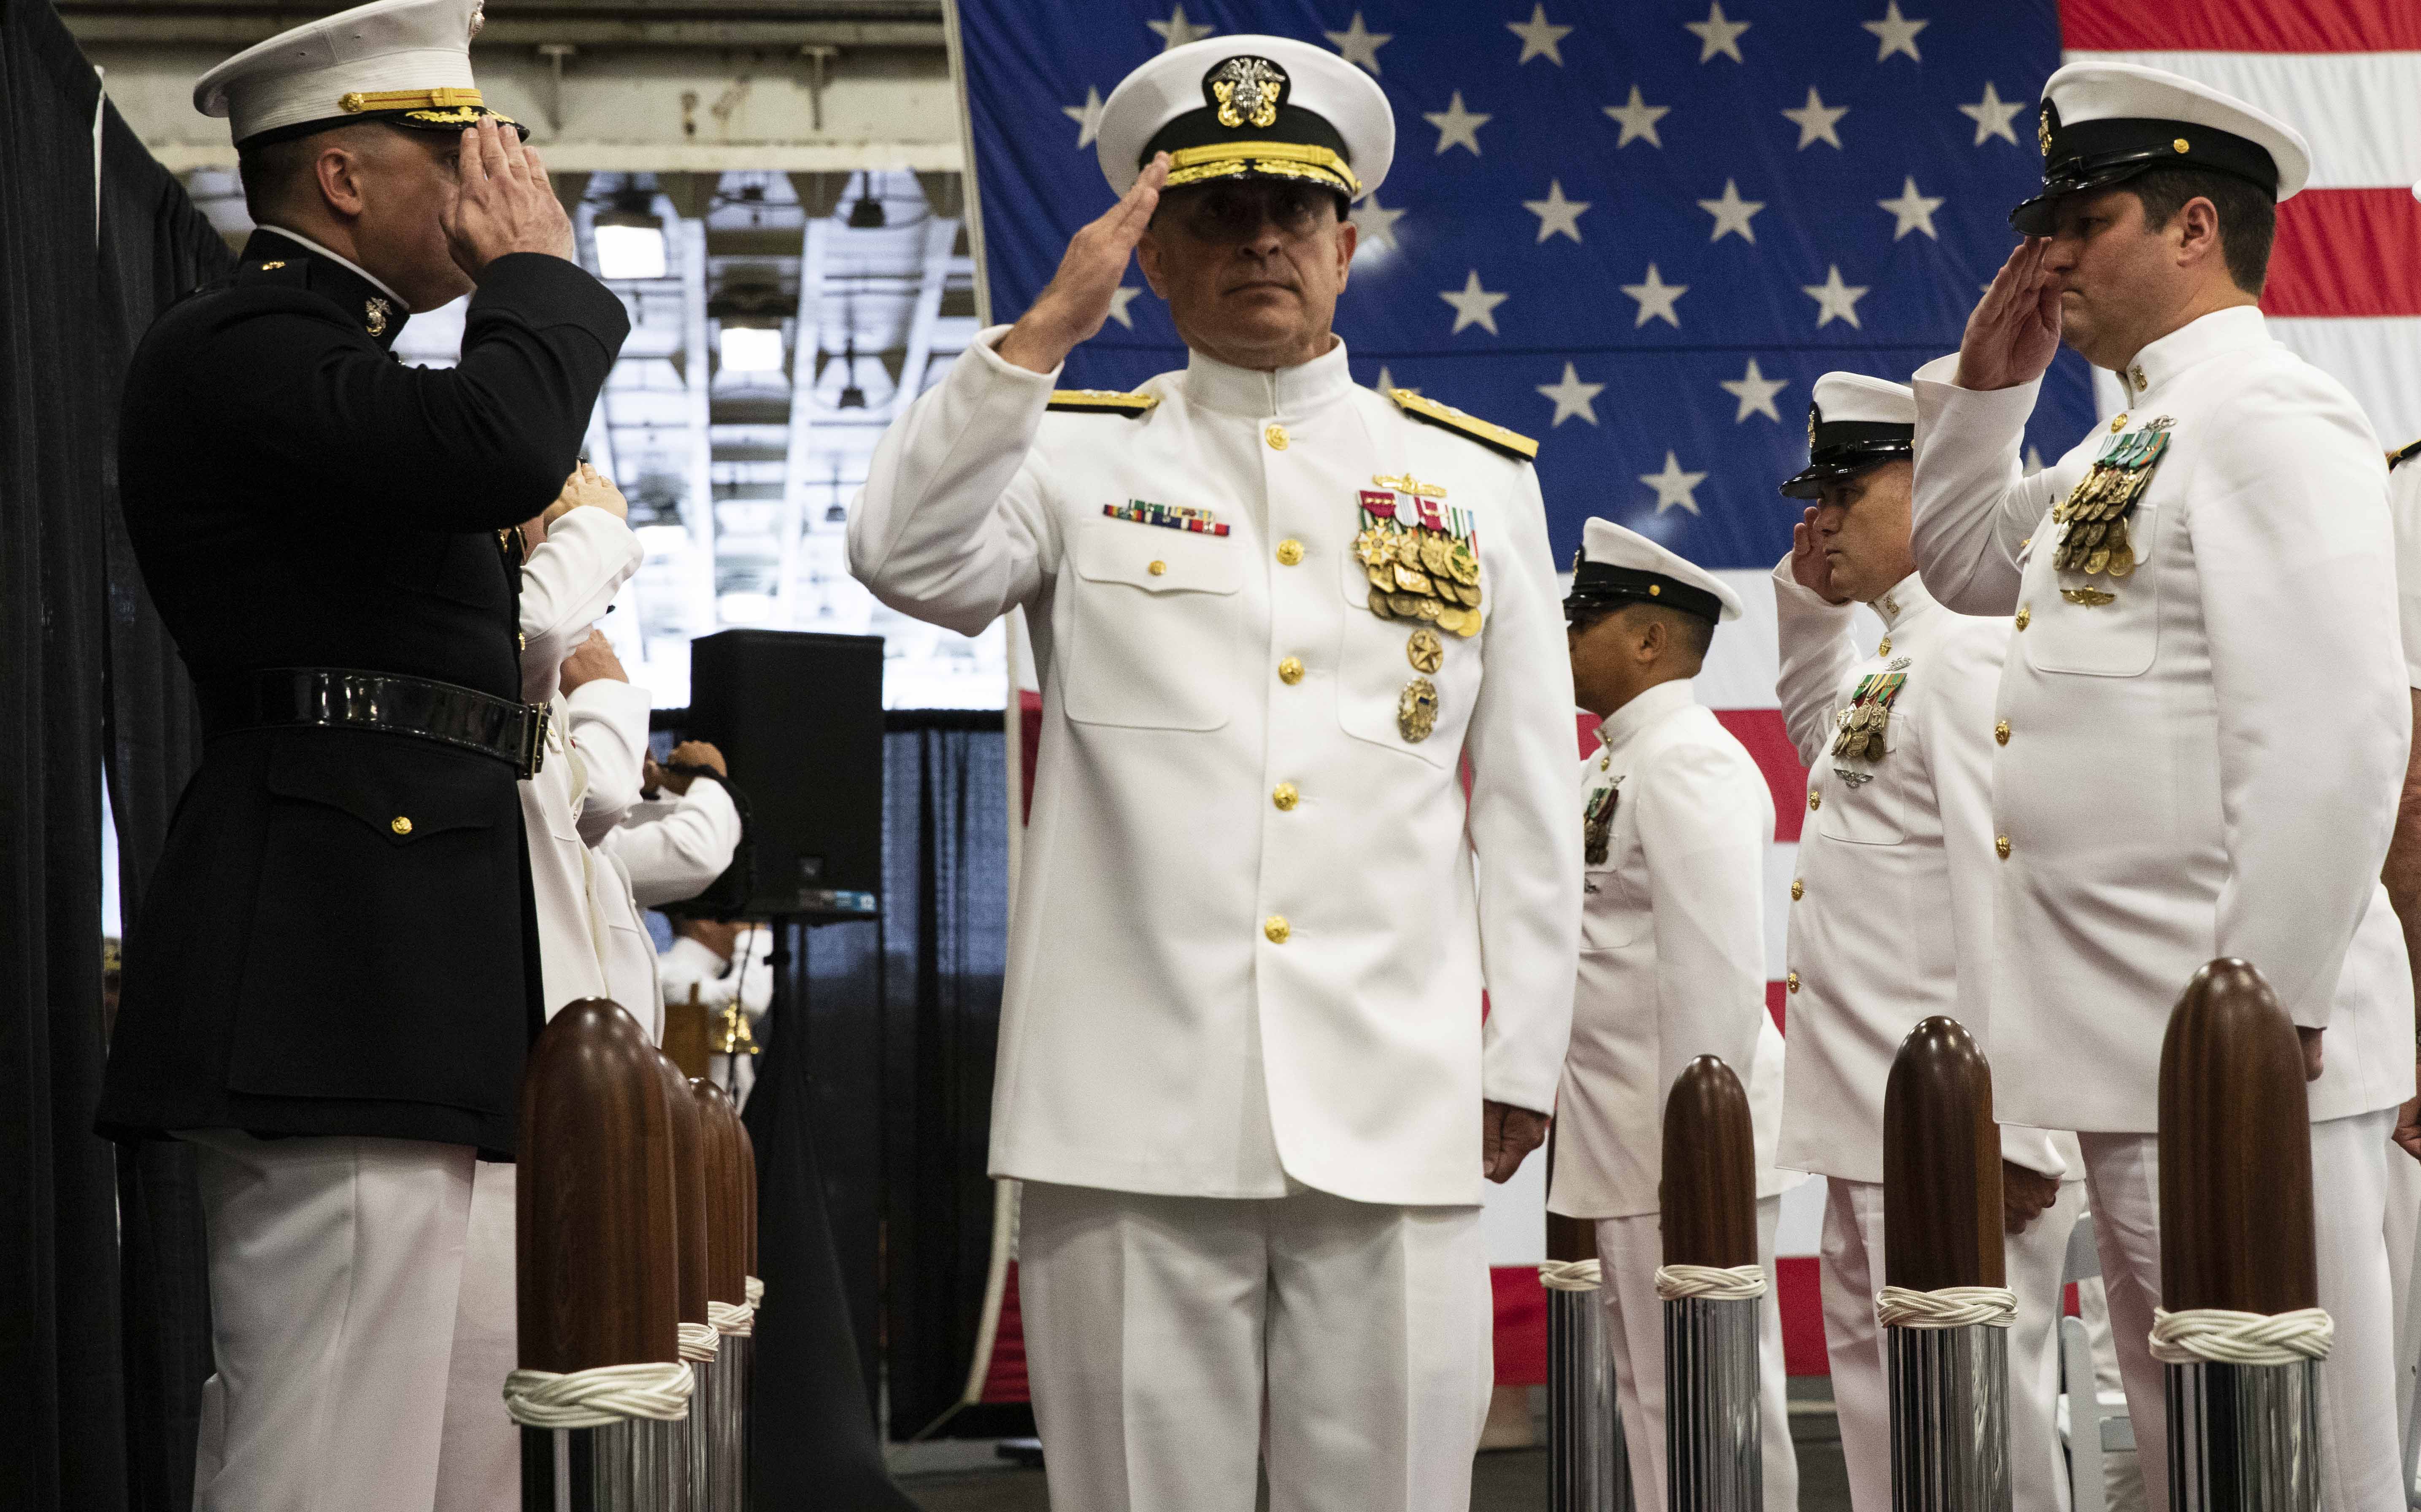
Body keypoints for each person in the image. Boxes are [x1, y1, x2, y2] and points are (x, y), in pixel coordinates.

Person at [848, 33, 1578, 1509]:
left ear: (1346, 242)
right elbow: (903, 557)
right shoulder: (1066, 456)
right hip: (1124, 1113)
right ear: (1152, 259)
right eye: (1213, 216)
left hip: (1392, 1098)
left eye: (1290, 214)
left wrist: (1518, 1056)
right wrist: (1035, 338)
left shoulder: (1472, 483)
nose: (1258, 241)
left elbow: (1527, 800)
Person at [92, 0, 630, 1503]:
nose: (490, 182)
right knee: (326, 1430)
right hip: (326, 951)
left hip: (406, 941)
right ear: (340, 176)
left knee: (450, 1424)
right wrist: (539, 276)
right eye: (453, 151)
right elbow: (500, 449)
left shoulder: (347, 358)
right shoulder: (244, 338)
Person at [1910, 60, 2412, 1510]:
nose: (2048, 252)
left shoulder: (2266, 418)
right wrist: (1985, 396)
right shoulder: (2126, 438)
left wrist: (2259, 1021)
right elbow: (1955, 566)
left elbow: (2328, 733)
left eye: (2084, 215)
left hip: (2237, 1060)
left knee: (2302, 1463)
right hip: (2139, 1056)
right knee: (2202, 1454)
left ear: (2192, 228)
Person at [1771, 373, 2083, 1512]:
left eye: (1850, 490)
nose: (1823, 517)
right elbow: (1829, 761)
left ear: (1941, 485)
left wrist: (2022, 1132)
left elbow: (2012, 895)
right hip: (1879, 1128)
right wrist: (1807, 609)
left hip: (1956, 1136)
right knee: (1891, 1445)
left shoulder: (1967, 654)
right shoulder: (1905, 655)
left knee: (1975, 1443)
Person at [1549, 519, 1801, 1512]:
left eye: (1587, 618)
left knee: (1714, 1400)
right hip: (1626, 1142)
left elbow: (1719, 975)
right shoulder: (1612, 763)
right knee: (1656, 1405)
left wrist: (1699, 1148)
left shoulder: (1687, 759)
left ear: (1649, 639)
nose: (1567, 636)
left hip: (1680, 1146)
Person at [435, 475, 646, 1512]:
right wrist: (602, 679)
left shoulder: (531, 669)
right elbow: (607, 793)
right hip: (495, 1059)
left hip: (551, 1072)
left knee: (522, 1411)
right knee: (474, 1406)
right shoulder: (490, 634)